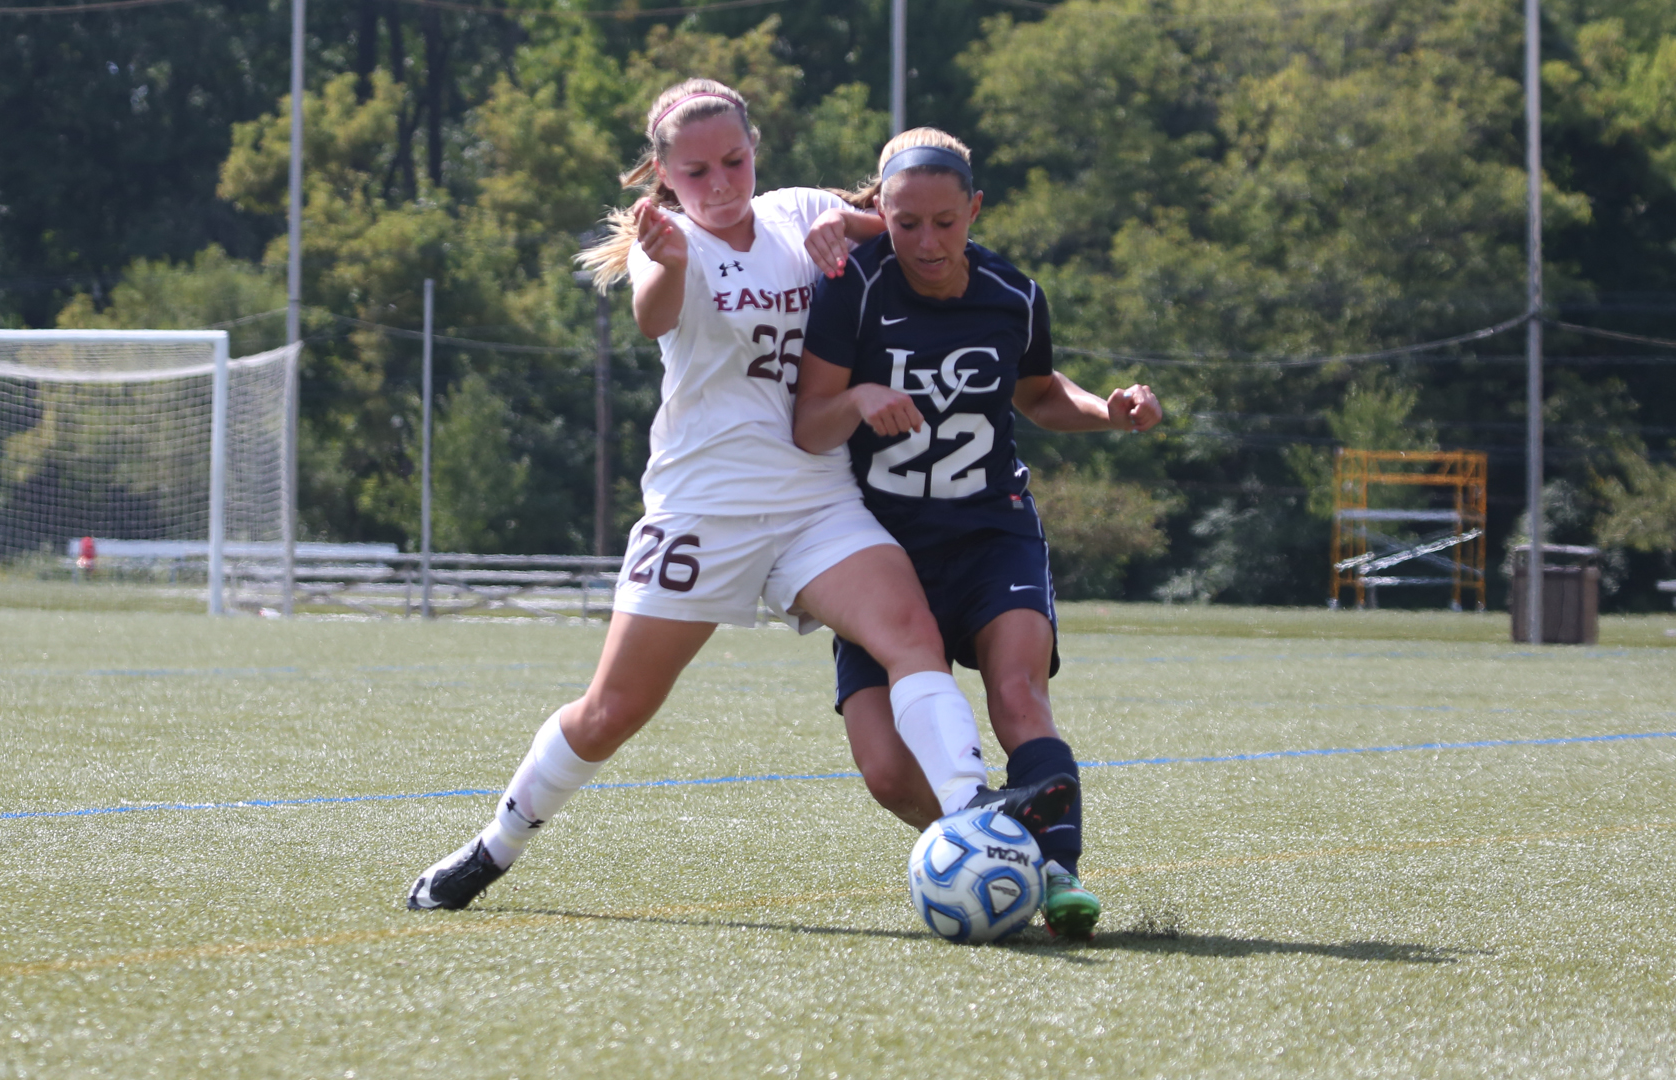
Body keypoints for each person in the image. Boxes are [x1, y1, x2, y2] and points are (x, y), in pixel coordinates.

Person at [407, 84, 1075, 911]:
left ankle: (973, 811)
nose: (720, 184)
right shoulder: (670, 242)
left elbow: (910, 223)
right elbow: (654, 315)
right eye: (696, 171)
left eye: (736, 161)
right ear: (661, 174)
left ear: (755, 149)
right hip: (704, 510)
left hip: (814, 498)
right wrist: (675, 264)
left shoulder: (795, 210)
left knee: (911, 636)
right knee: (612, 711)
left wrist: (850, 224)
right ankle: (491, 849)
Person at [793, 128, 1163, 940]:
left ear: (976, 211)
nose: (927, 242)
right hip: (880, 554)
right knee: (887, 771)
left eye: (947, 222)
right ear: (878, 213)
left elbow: (1037, 393)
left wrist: (1108, 411)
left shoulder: (1013, 293)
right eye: (906, 222)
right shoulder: (852, 285)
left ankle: (1058, 872)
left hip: (993, 531)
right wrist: (855, 401)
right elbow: (810, 426)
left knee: (1020, 698)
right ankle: (1001, 850)